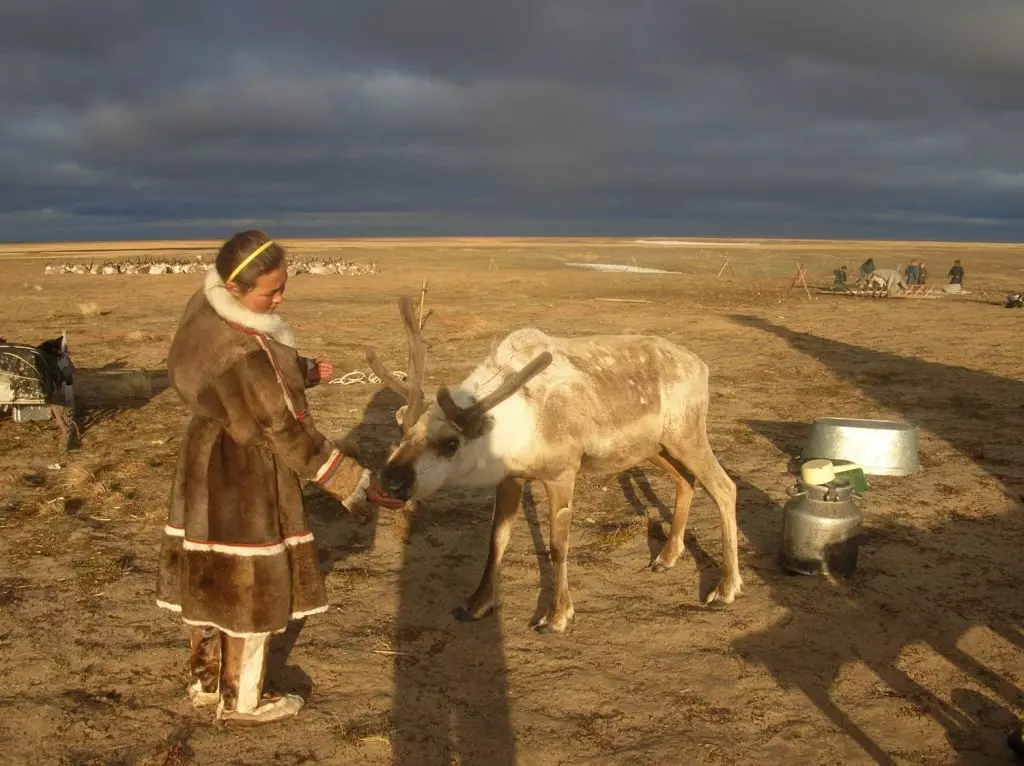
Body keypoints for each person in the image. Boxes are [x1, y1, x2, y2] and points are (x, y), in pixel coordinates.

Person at [156, 230, 403, 725]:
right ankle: (242, 699)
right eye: (269, 292)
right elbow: (289, 434)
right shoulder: (250, 352)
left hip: (203, 457)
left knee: (208, 567)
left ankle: (205, 679)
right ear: (233, 288)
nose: (280, 298)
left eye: (282, 286)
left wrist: (302, 371)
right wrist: (356, 484)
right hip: (245, 473)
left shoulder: (203, 311)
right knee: (248, 580)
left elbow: (243, 381)